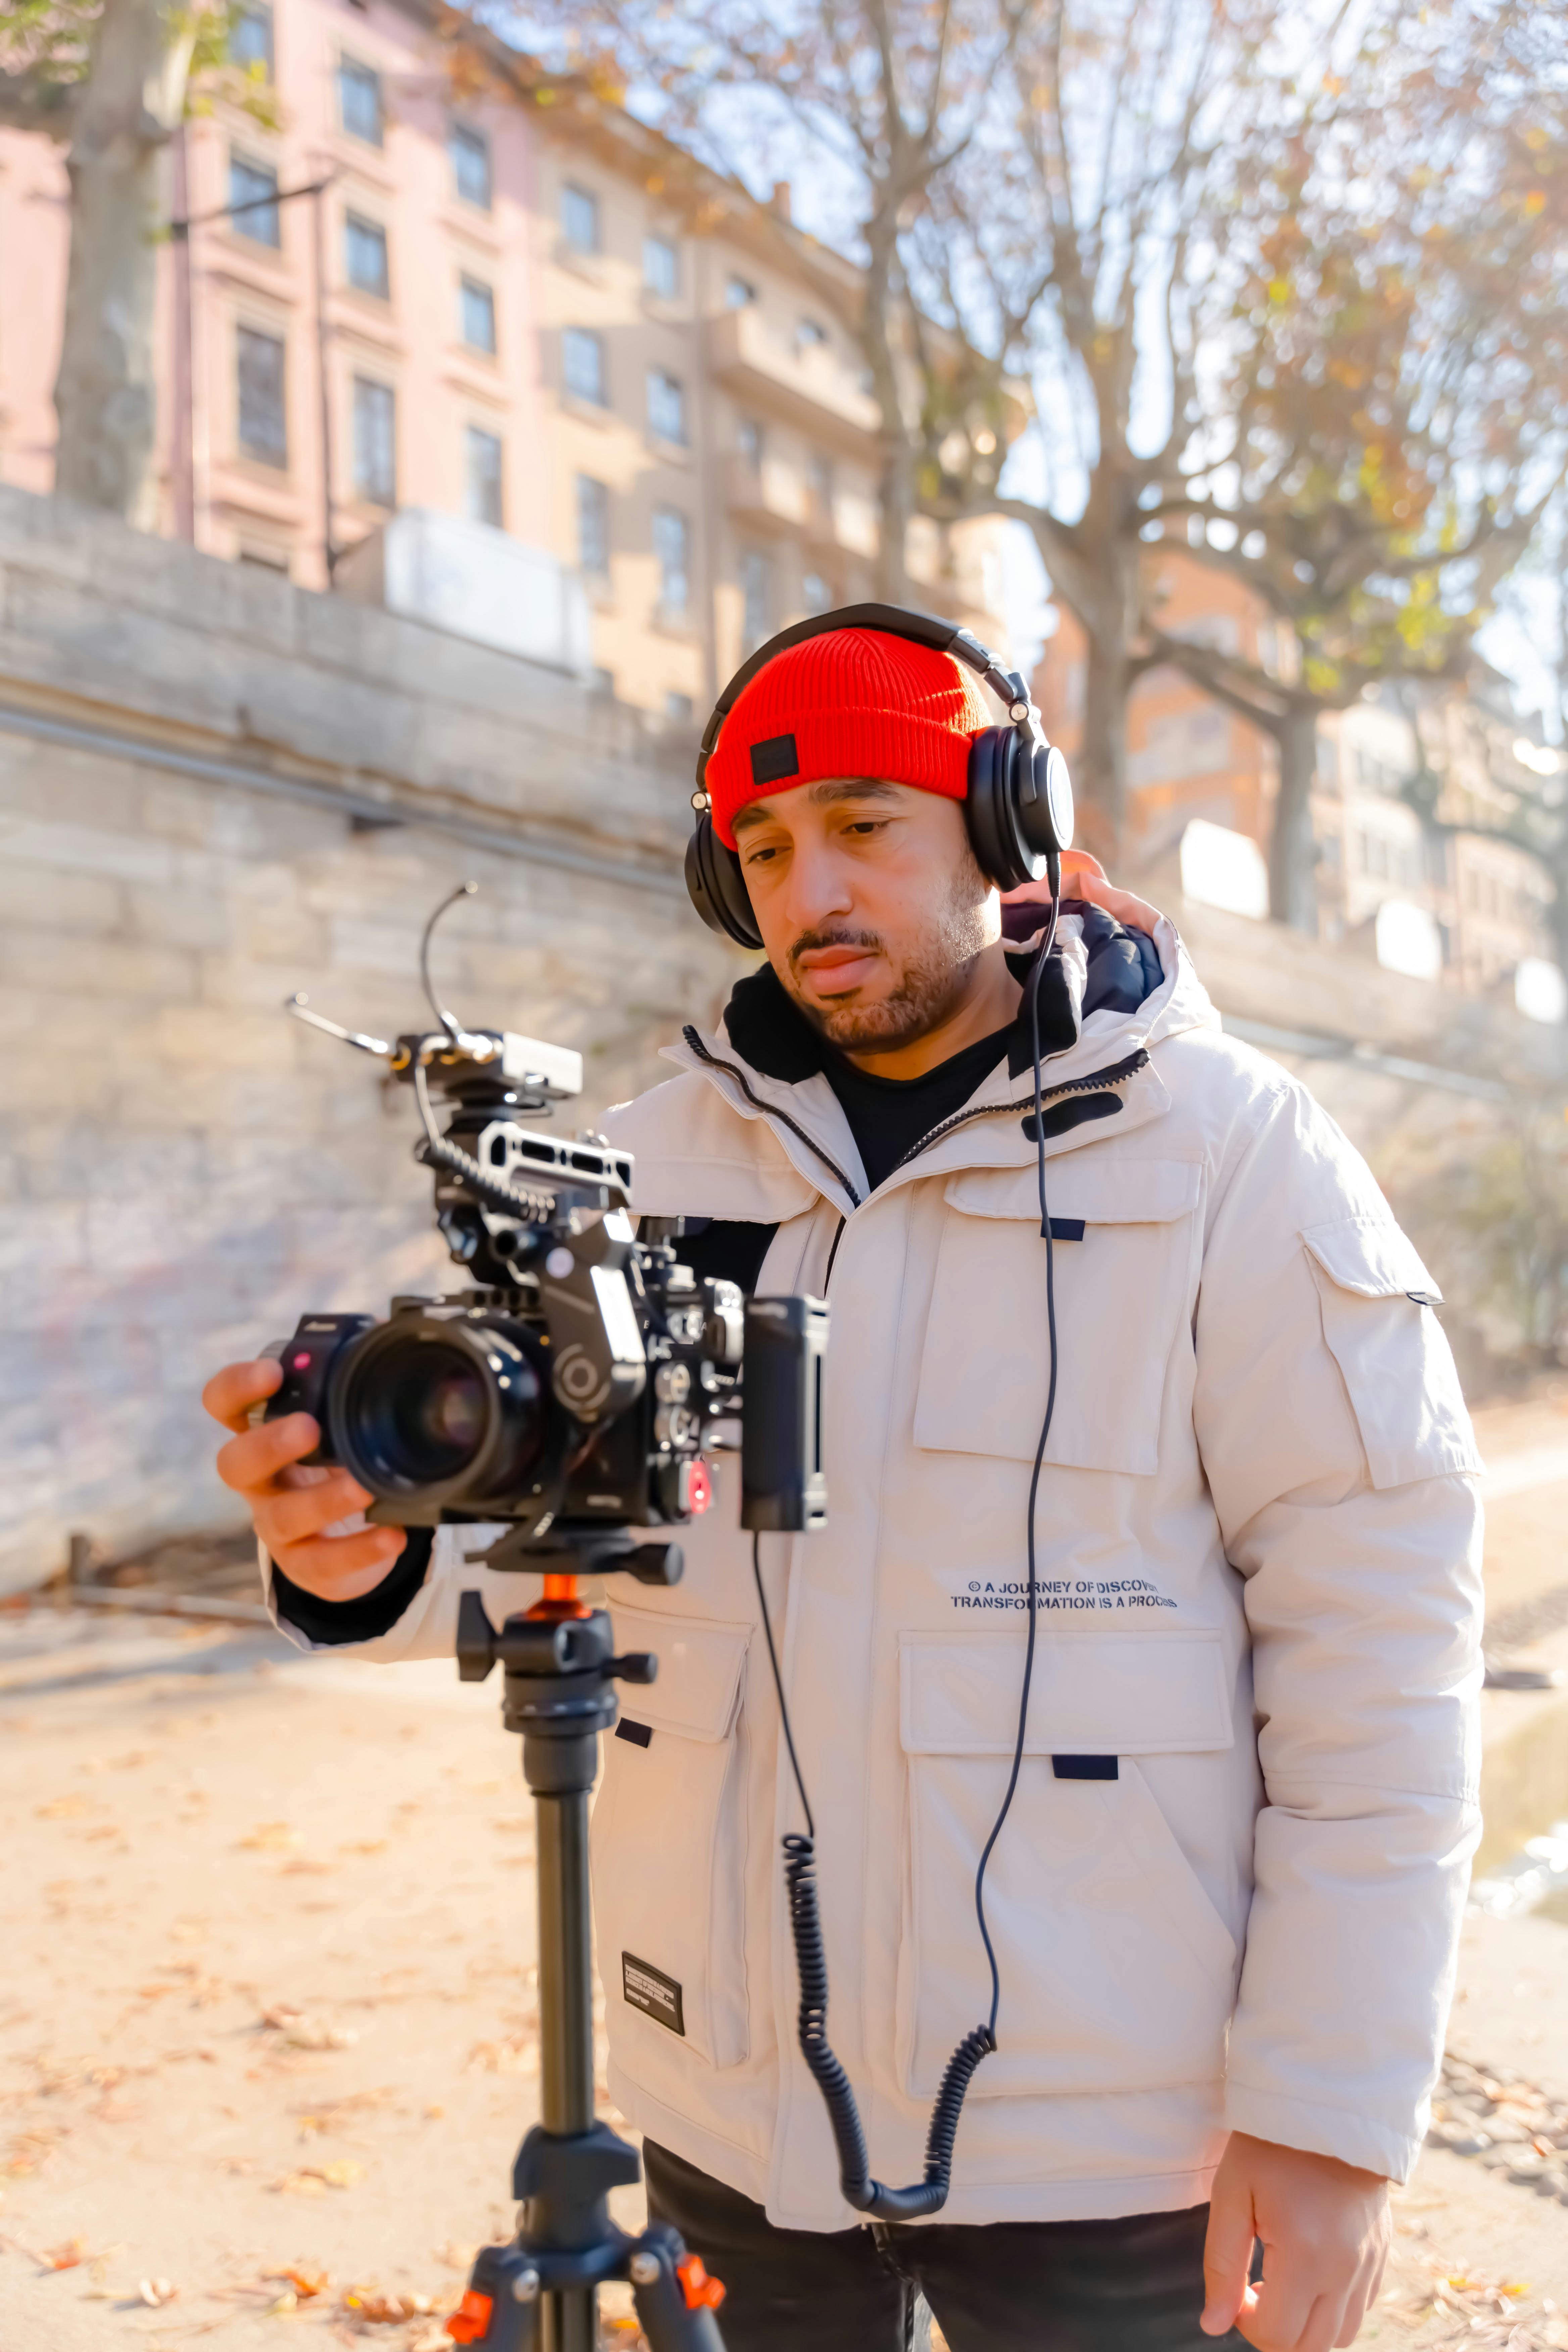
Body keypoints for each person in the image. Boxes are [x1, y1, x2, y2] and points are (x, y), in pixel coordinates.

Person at [203, 620, 1483, 2352]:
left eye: (868, 826)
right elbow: (514, 1540)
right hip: (733, 2122)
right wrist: (352, 1550)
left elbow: (1382, 1659)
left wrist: (1329, 2114)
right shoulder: (631, 1173)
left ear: (1007, 826)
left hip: (1119, 2153)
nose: (813, 891)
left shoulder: (1237, 1159)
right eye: (767, 850)